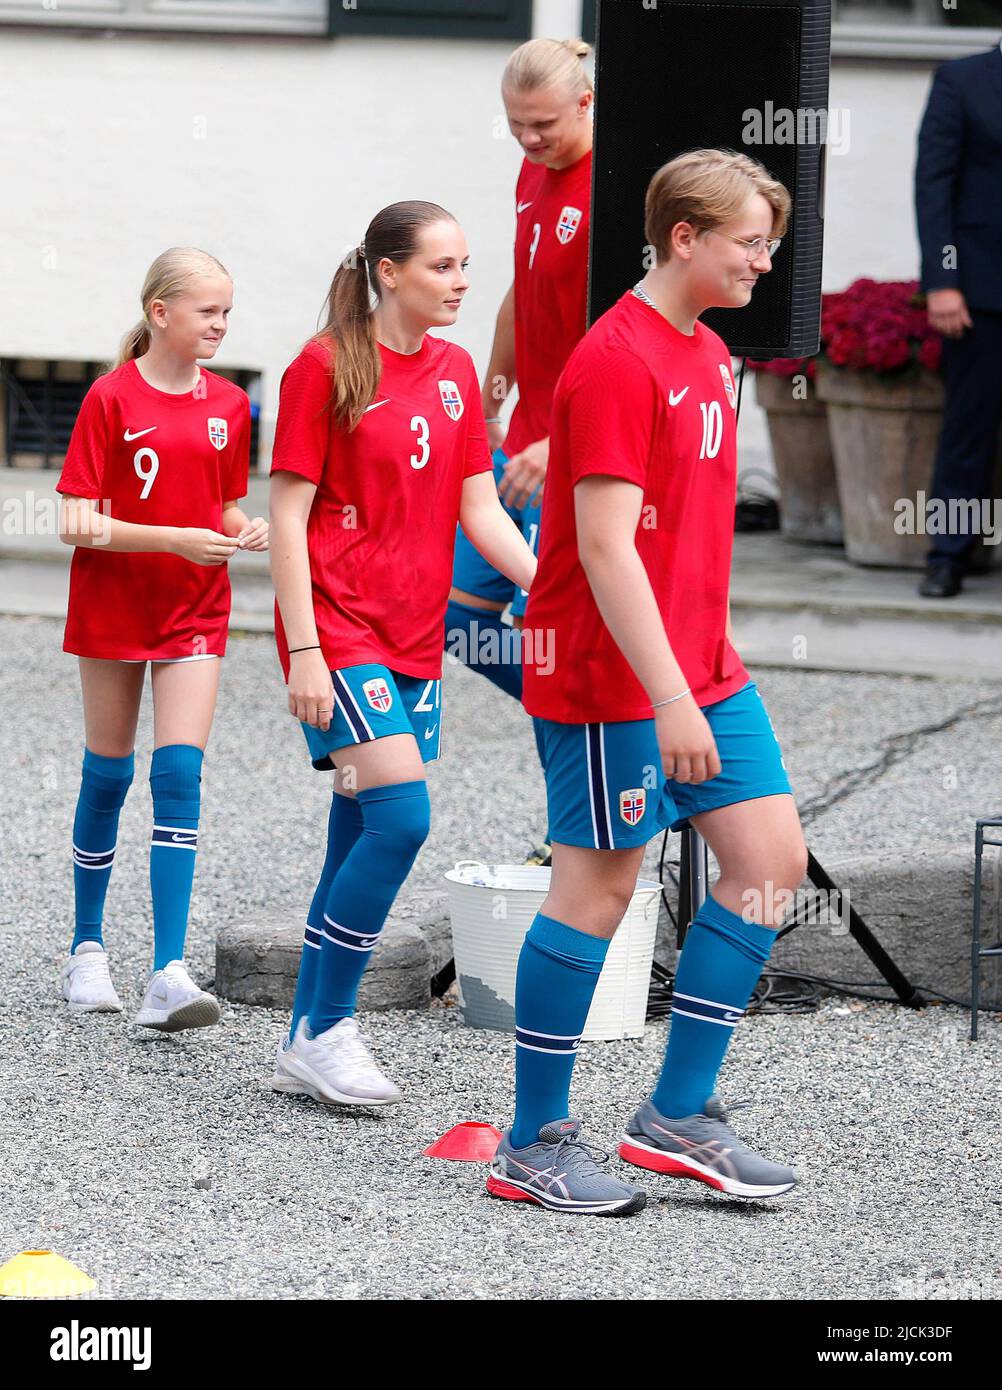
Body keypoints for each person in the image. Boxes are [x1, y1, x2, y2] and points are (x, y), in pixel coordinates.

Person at [489, 150, 808, 1217]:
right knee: (600, 889)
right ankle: (531, 1143)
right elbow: (608, 548)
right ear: (685, 238)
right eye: (750, 242)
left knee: (769, 862)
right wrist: (669, 694)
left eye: (769, 240)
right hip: (610, 675)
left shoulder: (710, 351)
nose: (767, 260)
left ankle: (677, 1117)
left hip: (697, 667)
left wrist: (697, 674)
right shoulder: (620, 358)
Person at [268, 201, 537, 1108]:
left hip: (413, 633)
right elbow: (288, 518)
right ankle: (330, 1027)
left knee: (358, 825)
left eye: (467, 266)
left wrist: (555, 587)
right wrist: (304, 649)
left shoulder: (458, 371)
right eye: (444, 267)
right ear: (389, 272)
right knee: (402, 818)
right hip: (337, 626)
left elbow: (480, 508)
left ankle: (307, 1035)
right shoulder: (324, 365)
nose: (463, 283)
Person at [57, 247, 267, 1030]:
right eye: (208, 311)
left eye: (227, 312)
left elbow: (221, 507)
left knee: (178, 774)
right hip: (114, 604)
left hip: (194, 608)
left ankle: (169, 972)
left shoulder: (230, 404)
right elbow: (77, 519)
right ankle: (86, 949)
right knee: (108, 776)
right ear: (160, 314)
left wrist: (244, 533)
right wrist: (174, 539)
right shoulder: (110, 397)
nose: (220, 325)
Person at [446, 37, 593, 864]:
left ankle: (572, 825)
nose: (530, 140)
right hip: (521, 440)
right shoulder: (534, 172)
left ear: (586, 104)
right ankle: (596, 736)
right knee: (462, 623)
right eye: (515, 126)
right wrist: (493, 397)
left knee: (551, 637)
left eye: (544, 125)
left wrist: (560, 439)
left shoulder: (610, 187)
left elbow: (623, 336)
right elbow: (523, 289)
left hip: (569, 450)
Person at [915, 39, 1002, 598]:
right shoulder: (962, 79)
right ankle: (948, 555)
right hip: (980, 291)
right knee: (969, 431)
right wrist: (942, 283)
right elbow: (934, 185)